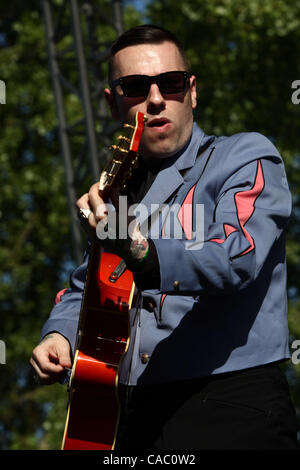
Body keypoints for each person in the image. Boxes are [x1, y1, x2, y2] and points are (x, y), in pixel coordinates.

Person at [30, 24, 298, 450]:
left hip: (231, 405)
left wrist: (131, 245)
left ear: (192, 91)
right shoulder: (117, 190)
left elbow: (235, 255)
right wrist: (58, 335)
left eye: (170, 84)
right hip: (135, 414)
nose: (155, 99)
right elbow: (89, 284)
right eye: (134, 87)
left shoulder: (245, 154)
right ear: (113, 101)